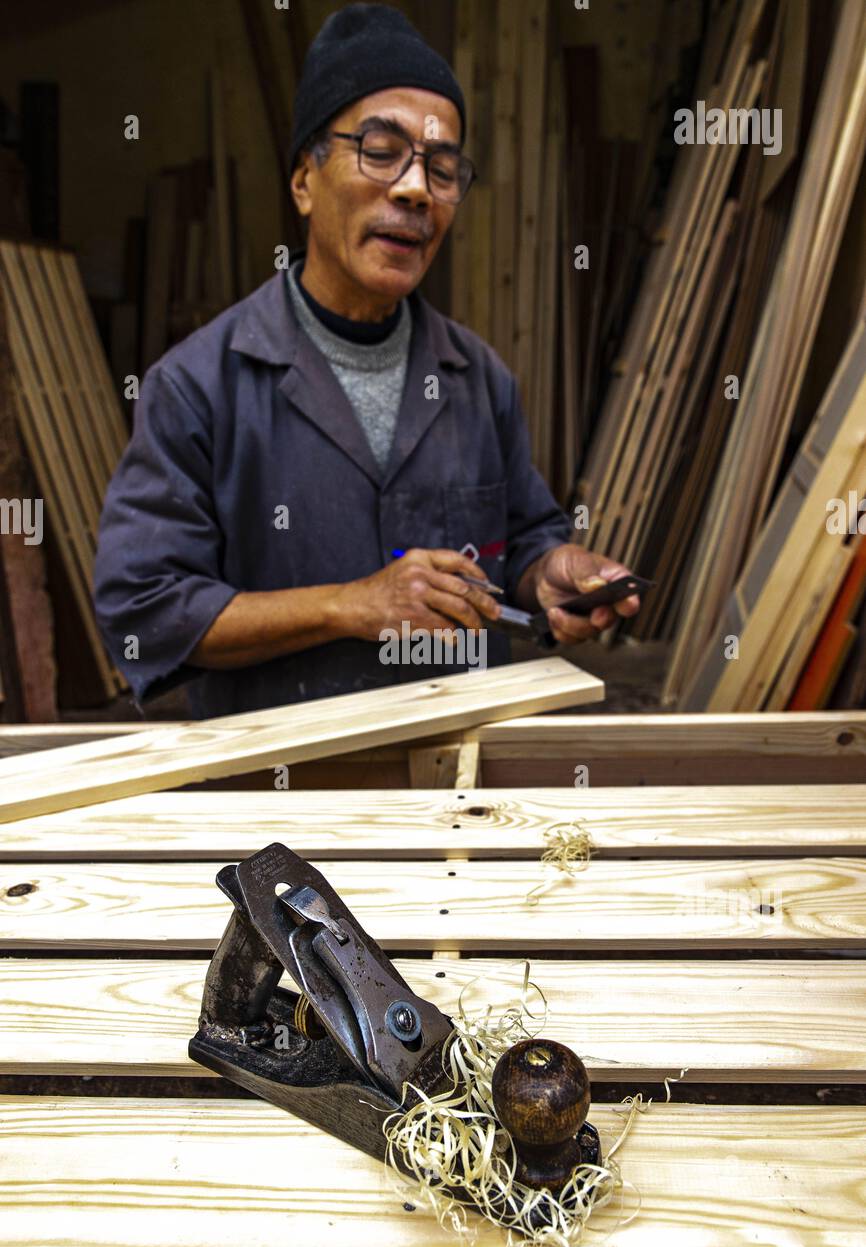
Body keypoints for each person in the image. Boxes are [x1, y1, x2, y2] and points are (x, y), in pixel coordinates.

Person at [93, 2, 640, 718]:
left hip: (460, 786)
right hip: (280, 795)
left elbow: (520, 542)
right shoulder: (200, 386)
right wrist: (348, 607)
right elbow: (144, 611)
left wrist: (550, 576)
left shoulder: (479, 379)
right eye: (381, 152)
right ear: (304, 182)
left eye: (442, 169)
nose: (416, 189)